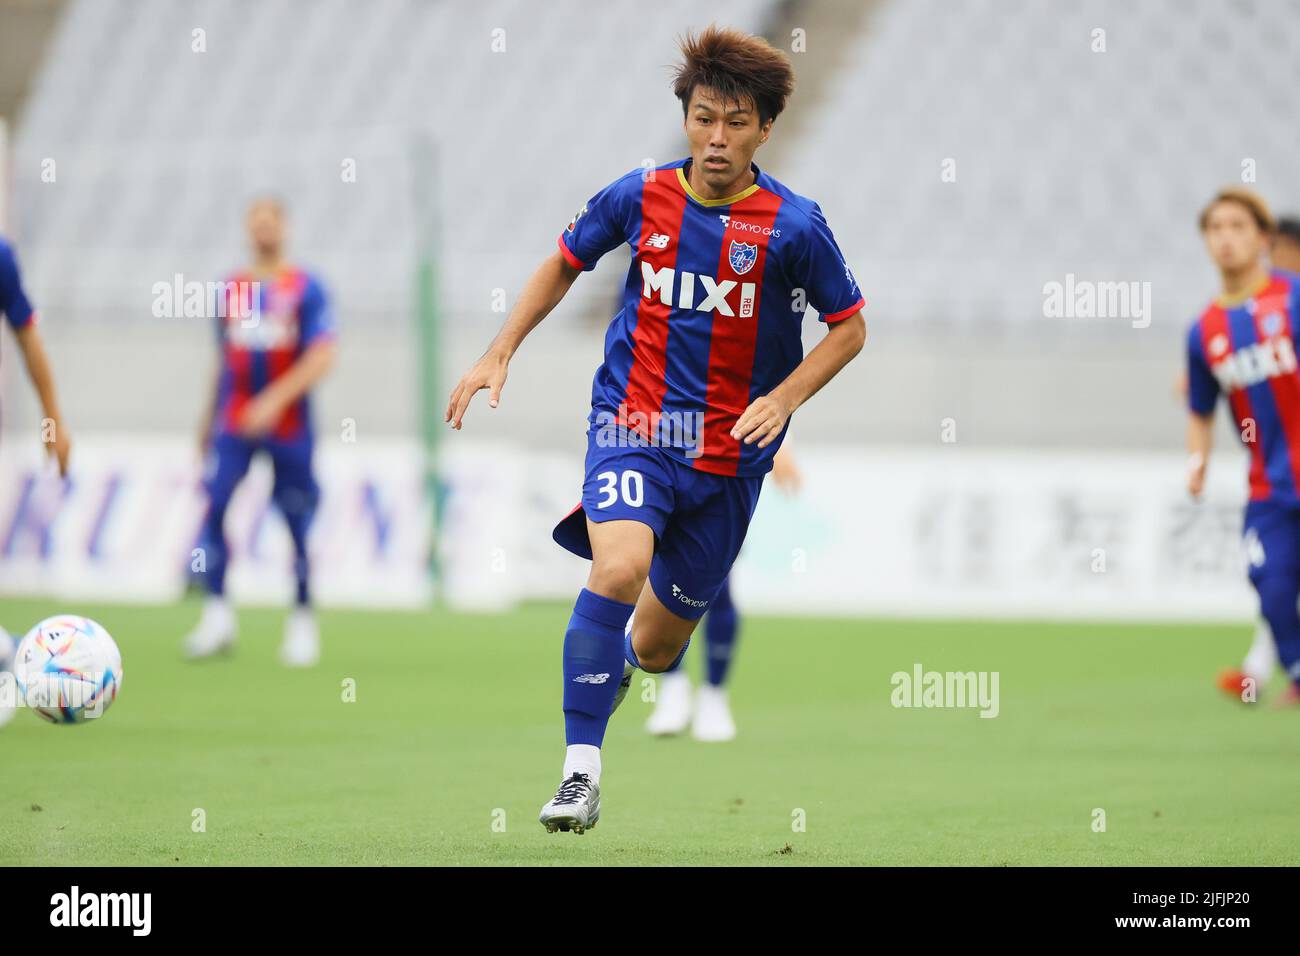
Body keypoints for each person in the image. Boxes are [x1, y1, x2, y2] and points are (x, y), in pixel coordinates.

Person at [446, 26, 866, 833]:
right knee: (618, 568)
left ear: (765, 130)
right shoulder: (640, 194)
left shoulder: (796, 227)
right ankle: (579, 774)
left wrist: (783, 398)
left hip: (729, 460)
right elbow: (565, 260)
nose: (716, 139)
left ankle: (629, 666)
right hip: (634, 428)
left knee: (662, 646)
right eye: (704, 117)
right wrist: (500, 352)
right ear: (685, 116)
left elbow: (849, 329)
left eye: (736, 123)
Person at [183, 198, 337, 667]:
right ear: (248, 228)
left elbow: (322, 356)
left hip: (289, 423)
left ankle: (302, 619)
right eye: (257, 221)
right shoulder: (230, 288)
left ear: (285, 227)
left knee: (294, 518)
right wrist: (207, 419)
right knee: (215, 503)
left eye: (271, 221)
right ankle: (217, 615)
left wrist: (274, 400)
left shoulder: (306, 288)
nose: (264, 229)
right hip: (234, 419)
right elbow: (224, 358)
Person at [1186, 187, 1300, 705]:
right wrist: (1197, 463)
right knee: (1270, 583)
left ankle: (1263, 676)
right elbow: (1200, 408)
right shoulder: (1204, 331)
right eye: (1215, 228)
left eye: (1237, 227)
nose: (1225, 239)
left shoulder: (1293, 297)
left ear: (1262, 238)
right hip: (1269, 488)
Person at [645, 446, 802, 741]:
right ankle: (673, 686)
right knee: (658, 576)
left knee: (716, 584)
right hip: (665, 454)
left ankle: (713, 696)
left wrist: (781, 445)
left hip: (721, 462)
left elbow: (759, 398)